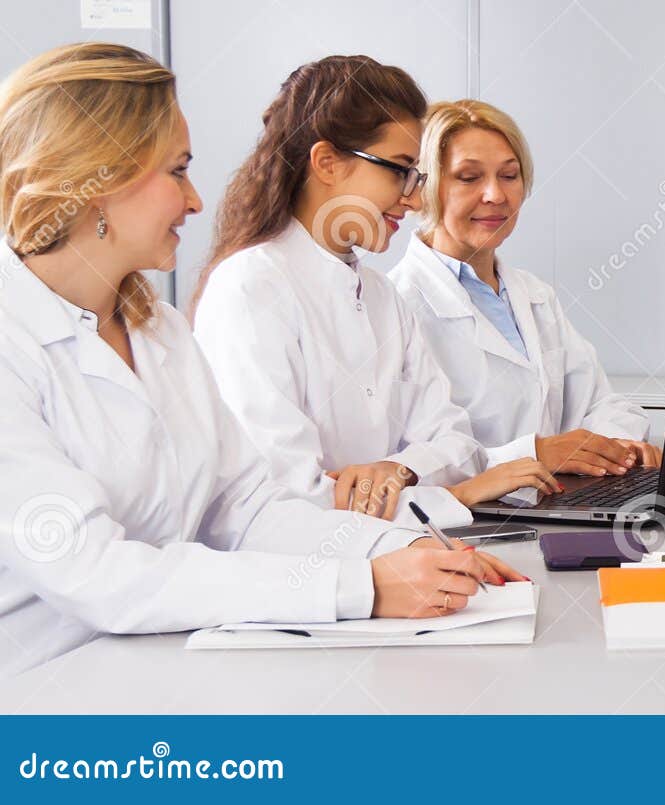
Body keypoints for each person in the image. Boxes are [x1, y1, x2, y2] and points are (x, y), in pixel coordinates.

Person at [0, 43, 521, 678]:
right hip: (44, 697)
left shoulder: (158, 332)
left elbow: (248, 509)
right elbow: (98, 573)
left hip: (165, 664)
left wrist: (409, 547)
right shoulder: (13, 344)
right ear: (97, 180)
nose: (194, 201)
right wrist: (363, 587)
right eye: (177, 171)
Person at [191, 57, 563, 522]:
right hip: (309, 574)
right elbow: (288, 496)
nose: (411, 198)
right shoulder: (249, 288)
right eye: (399, 170)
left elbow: (455, 443)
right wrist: (451, 497)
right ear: (327, 163)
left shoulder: (380, 295)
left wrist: (394, 470)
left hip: (394, 550)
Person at [388, 99, 654, 478]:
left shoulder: (533, 295)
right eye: (469, 177)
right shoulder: (399, 304)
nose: (496, 195)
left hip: (558, 505)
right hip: (462, 524)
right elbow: (402, 462)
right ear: (423, 187)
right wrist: (534, 455)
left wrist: (614, 448)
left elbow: (601, 402)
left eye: (509, 176)